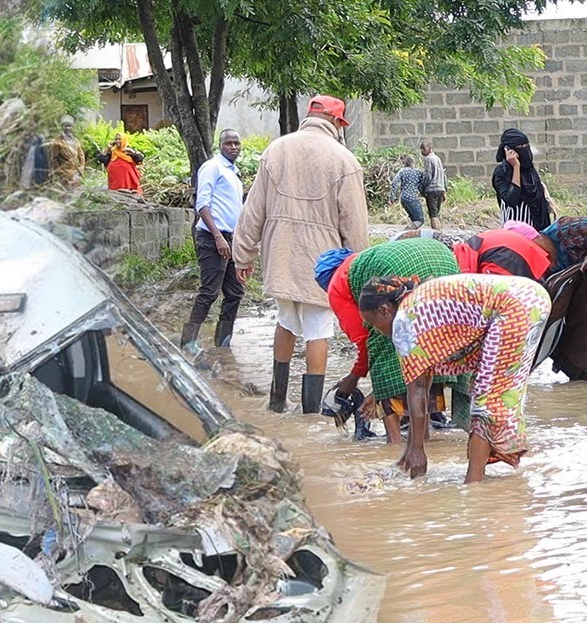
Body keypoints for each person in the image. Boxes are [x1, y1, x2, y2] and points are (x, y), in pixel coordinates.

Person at [234, 94, 370, 413]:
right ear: (337, 122)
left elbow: (253, 210)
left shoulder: (276, 150)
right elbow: (354, 223)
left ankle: (277, 400)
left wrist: (244, 254)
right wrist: (360, 270)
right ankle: (311, 413)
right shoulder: (344, 160)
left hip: (279, 254)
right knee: (318, 329)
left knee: (286, 321)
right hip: (322, 263)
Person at [358, 274, 550, 484]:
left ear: (384, 310)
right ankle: (478, 479)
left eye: (373, 324)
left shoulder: (405, 320)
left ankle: (472, 487)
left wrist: (416, 449)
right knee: (488, 390)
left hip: (514, 308)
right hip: (529, 297)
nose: (376, 330)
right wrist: (414, 444)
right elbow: (424, 378)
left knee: (488, 399)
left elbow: (418, 388)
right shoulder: (414, 303)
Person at [315, 237, 460, 443]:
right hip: (444, 258)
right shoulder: (363, 263)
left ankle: (394, 442)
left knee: (382, 349)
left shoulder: (337, 286)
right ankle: (423, 432)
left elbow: (366, 342)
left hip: (399, 267)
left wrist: (351, 381)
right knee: (430, 340)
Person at [181, 129, 245, 354]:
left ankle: (223, 342)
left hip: (231, 239)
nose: (233, 147)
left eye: (237, 143)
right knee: (209, 291)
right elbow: (202, 204)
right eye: (229, 143)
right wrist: (217, 236)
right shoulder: (212, 167)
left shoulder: (234, 173)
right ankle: (188, 342)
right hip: (212, 237)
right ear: (220, 145)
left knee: (235, 292)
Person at [493, 128, 553, 232]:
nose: (525, 150)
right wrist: (516, 167)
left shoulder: (530, 172)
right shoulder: (501, 172)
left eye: (526, 146)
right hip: (514, 233)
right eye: (520, 147)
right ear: (508, 150)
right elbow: (512, 199)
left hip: (536, 232)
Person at [389, 155, 428, 229]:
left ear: (405, 163)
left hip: (403, 198)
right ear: (413, 163)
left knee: (414, 220)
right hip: (412, 198)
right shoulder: (418, 172)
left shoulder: (402, 171)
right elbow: (426, 180)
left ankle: (409, 234)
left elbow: (394, 183)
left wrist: (392, 198)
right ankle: (406, 234)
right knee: (420, 220)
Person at [46, 115, 85, 187]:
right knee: (66, 195)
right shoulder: (57, 141)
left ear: (72, 127)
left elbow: (81, 156)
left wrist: (81, 168)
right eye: (65, 126)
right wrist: (61, 173)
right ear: (62, 127)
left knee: (76, 194)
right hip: (65, 174)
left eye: (69, 126)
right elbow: (53, 159)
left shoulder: (76, 140)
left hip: (76, 173)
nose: (67, 128)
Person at [420, 139, 447, 230]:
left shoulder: (428, 159)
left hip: (432, 189)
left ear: (430, 148)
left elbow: (427, 175)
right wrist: (444, 190)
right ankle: (439, 232)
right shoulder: (438, 158)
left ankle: (435, 233)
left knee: (432, 213)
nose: (422, 151)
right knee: (436, 213)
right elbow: (443, 175)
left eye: (423, 149)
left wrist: (422, 188)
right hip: (440, 188)